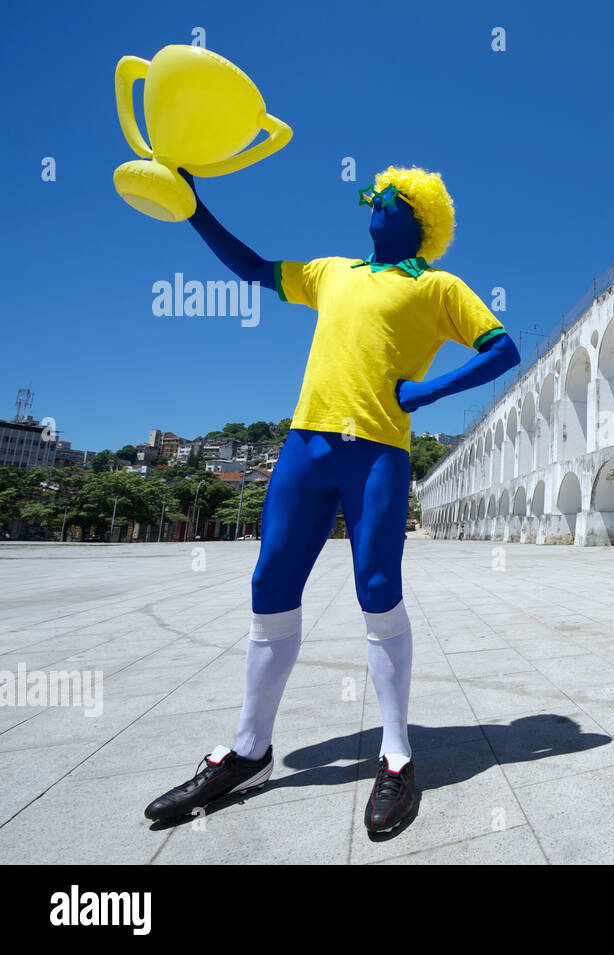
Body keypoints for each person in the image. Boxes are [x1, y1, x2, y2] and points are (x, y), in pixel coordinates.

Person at [143, 166, 519, 832]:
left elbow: (503, 347)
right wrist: (195, 209)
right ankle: (249, 749)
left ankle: (398, 756)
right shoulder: (330, 271)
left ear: (420, 219)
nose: (373, 203)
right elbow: (254, 268)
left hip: (378, 451)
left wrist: (427, 393)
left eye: (388, 198)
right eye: (371, 194)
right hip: (304, 447)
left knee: (377, 585)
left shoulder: (437, 286)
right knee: (270, 583)